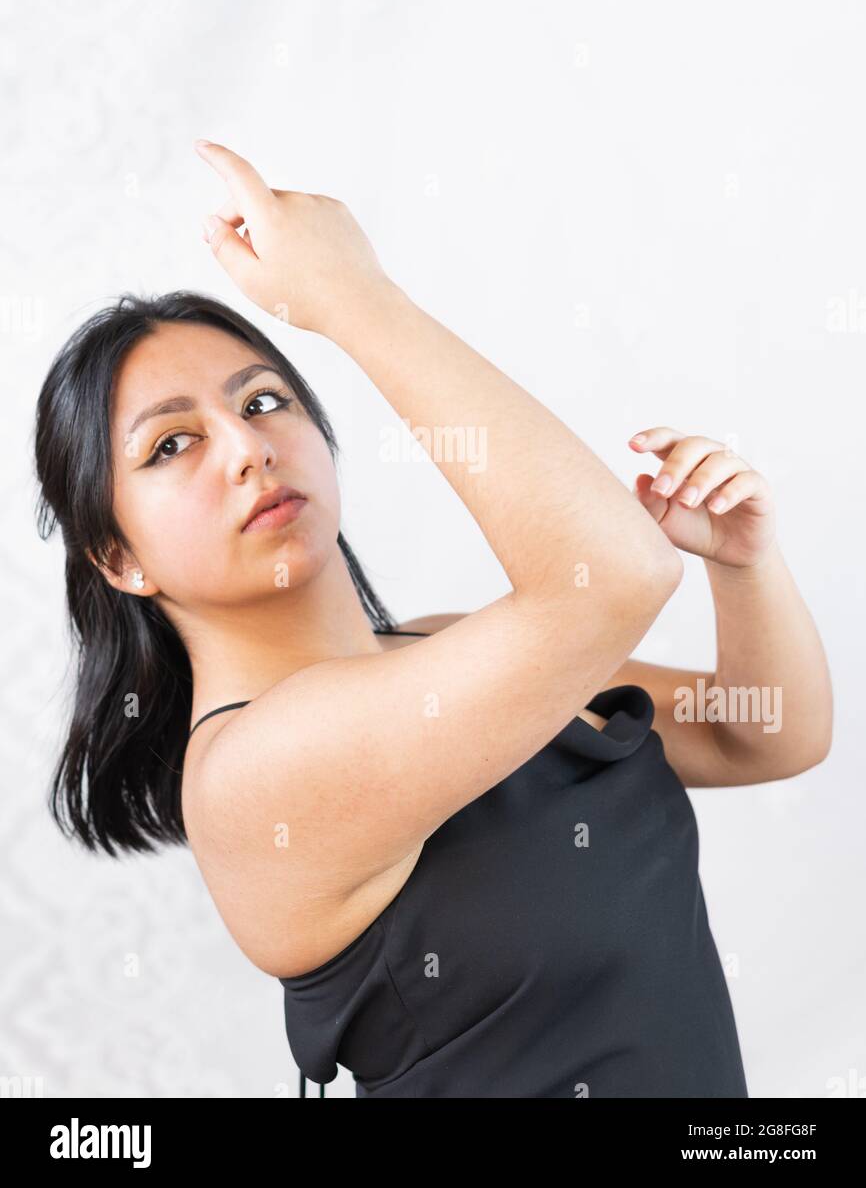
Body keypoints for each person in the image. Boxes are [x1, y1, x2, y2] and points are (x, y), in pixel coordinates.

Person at [33, 140, 832, 1097]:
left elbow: (761, 736)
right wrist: (351, 296)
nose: (247, 447)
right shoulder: (253, 780)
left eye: (264, 400)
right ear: (117, 559)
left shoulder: (452, 643)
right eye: (172, 444)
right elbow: (616, 573)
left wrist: (744, 568)